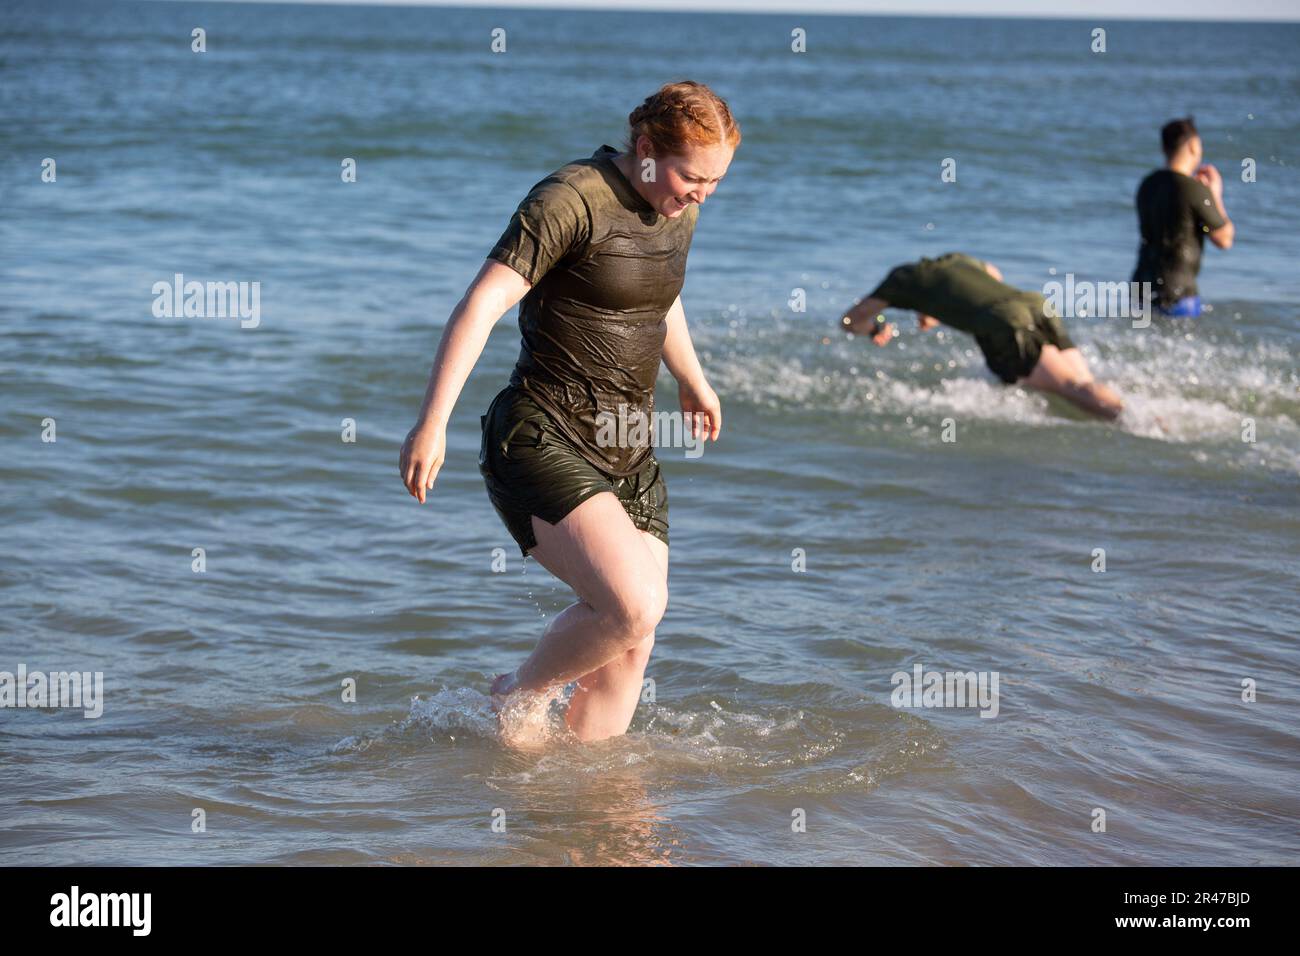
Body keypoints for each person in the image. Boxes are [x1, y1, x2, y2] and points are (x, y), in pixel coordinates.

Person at [399, 81, 737, 745]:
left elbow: (657, 296)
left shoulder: (678, 206)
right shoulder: (570, 199)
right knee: (633, 605)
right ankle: (516, 696)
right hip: (540, 436)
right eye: (693, 177)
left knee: (632, 641)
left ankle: (587, 801)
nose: (702, 194)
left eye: (717, 181)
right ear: (644, 149)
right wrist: (431, 421)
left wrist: (693, 380)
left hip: (629, 448)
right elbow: (482, 303)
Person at [841, 252, 1124, 420]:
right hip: (1035, 305)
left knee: (1070, 389)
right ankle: (1128, 410)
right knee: (1084, 382)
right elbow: (992, 273)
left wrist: (877, 328)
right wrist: (934, 309)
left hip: (1004, 323)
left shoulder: (899, 282)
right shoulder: (955, 261)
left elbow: (851, 320)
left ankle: (1136, 424)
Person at [1131, 116, 1235, 317]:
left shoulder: (1148, 184)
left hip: (1140, 284)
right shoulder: (1193, 190)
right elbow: (1223, 239)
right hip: (1177, 290)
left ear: (1164, 148)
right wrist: (1215, 195)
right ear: (1194, 146)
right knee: (1180, 344)